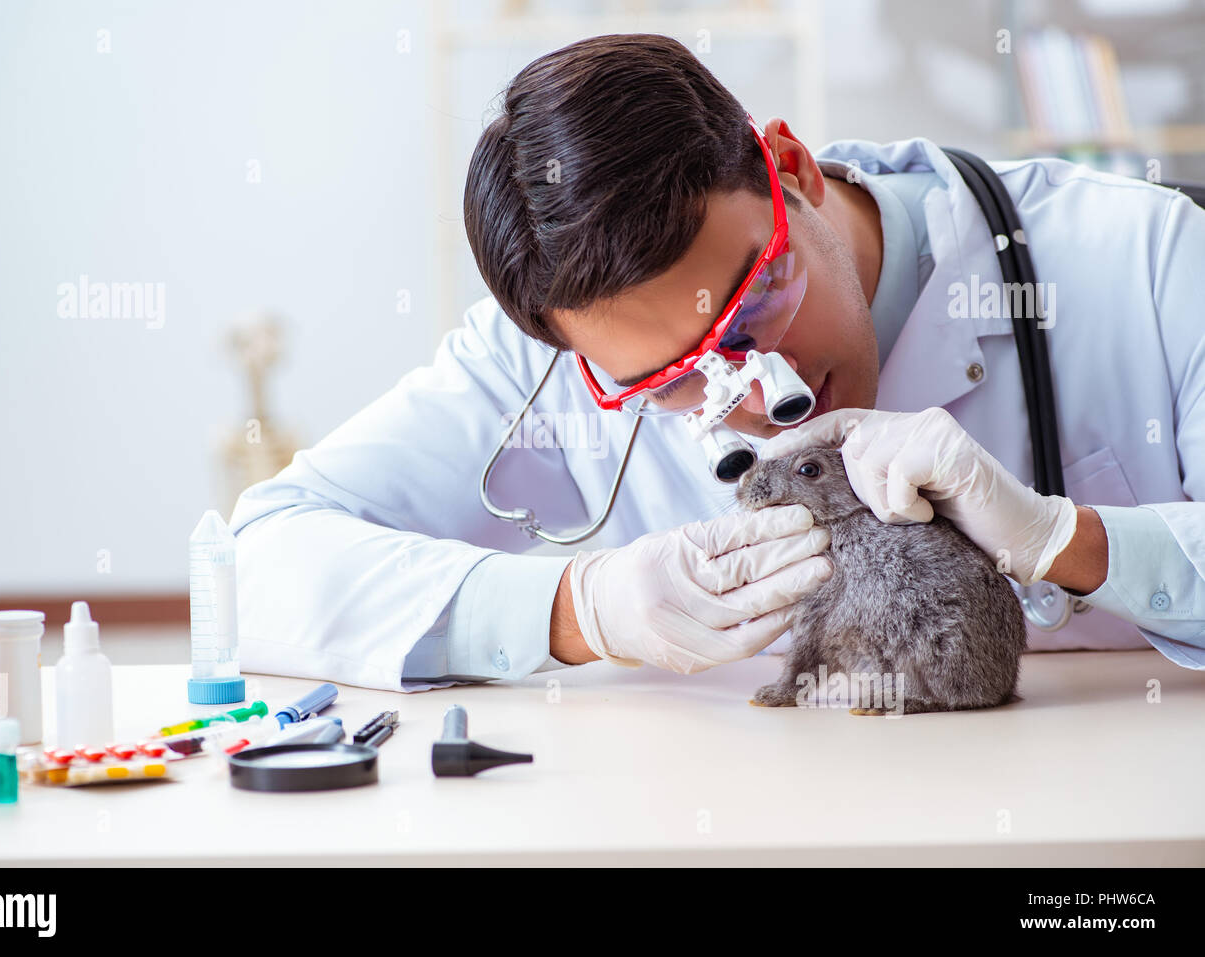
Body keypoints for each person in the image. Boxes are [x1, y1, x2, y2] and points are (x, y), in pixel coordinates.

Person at [229, 34, 1205, 691]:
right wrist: (580, 610)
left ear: (789, 170)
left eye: (757, 303)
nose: (756, 397)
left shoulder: (1144, 260)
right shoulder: (562, 364)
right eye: (671, 384)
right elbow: (261, 562)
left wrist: (1068, 542)